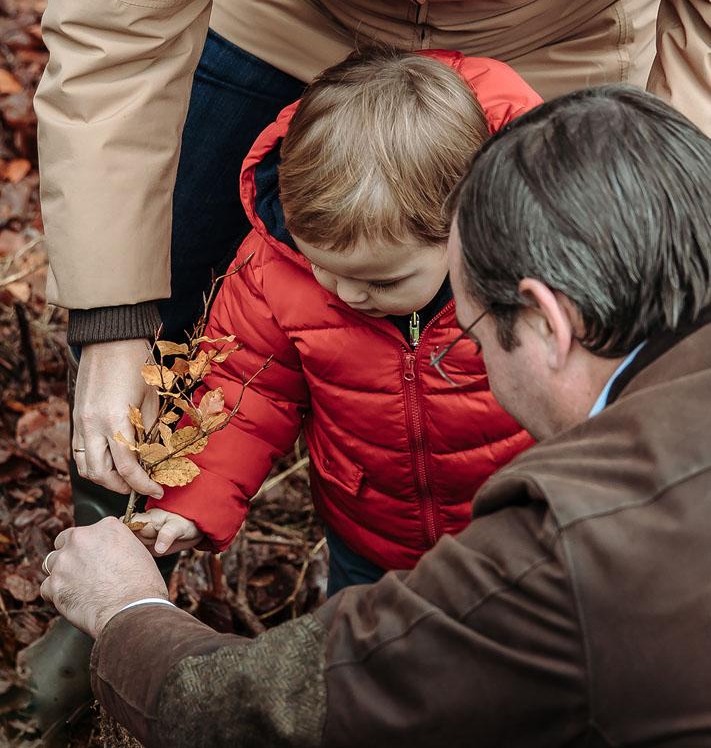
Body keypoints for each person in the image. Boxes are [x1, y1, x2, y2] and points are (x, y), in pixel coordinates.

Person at [34, 0, 711, 517]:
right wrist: (110, 317)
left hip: (556, 40)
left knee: (590, 320)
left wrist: (661, 199)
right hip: (288, 15)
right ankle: (113, 591)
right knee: (148, 281)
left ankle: (560, 563)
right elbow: (118, 22)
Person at [41, 85, 711, 746]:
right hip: (370, 535)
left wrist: (127, 611)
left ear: (547, 321)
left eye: (472, 336)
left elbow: (297, 711)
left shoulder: (562, 550)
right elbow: (251, 383)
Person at [135, 50, 538, 591]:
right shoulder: (274, 271)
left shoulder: (533, 267)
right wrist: (195, 498)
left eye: (382, 282)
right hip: (369, 540)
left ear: (464, 221)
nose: (348, 294)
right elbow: (243, 391)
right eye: (325, 267)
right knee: (363, 657)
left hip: (521, 534)